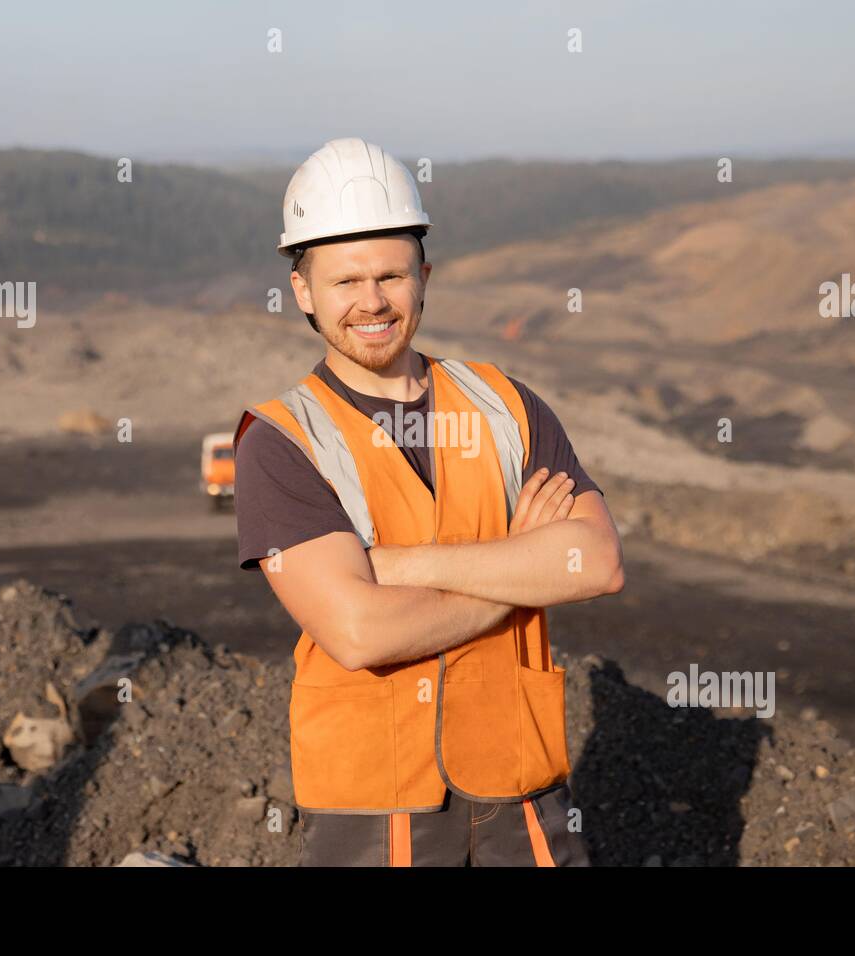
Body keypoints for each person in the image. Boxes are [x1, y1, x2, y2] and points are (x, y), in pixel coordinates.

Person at [232, 137, 625, 866]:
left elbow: (595, 561)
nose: (372, 302)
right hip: (376, 804)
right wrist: (517, 578)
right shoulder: (283, 441)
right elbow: (358, 631)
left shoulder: (505, 404)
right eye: (346, 281)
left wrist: (396, 566)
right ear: (304, 292)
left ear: (425, 277)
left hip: (522, 783)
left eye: (391, 275)